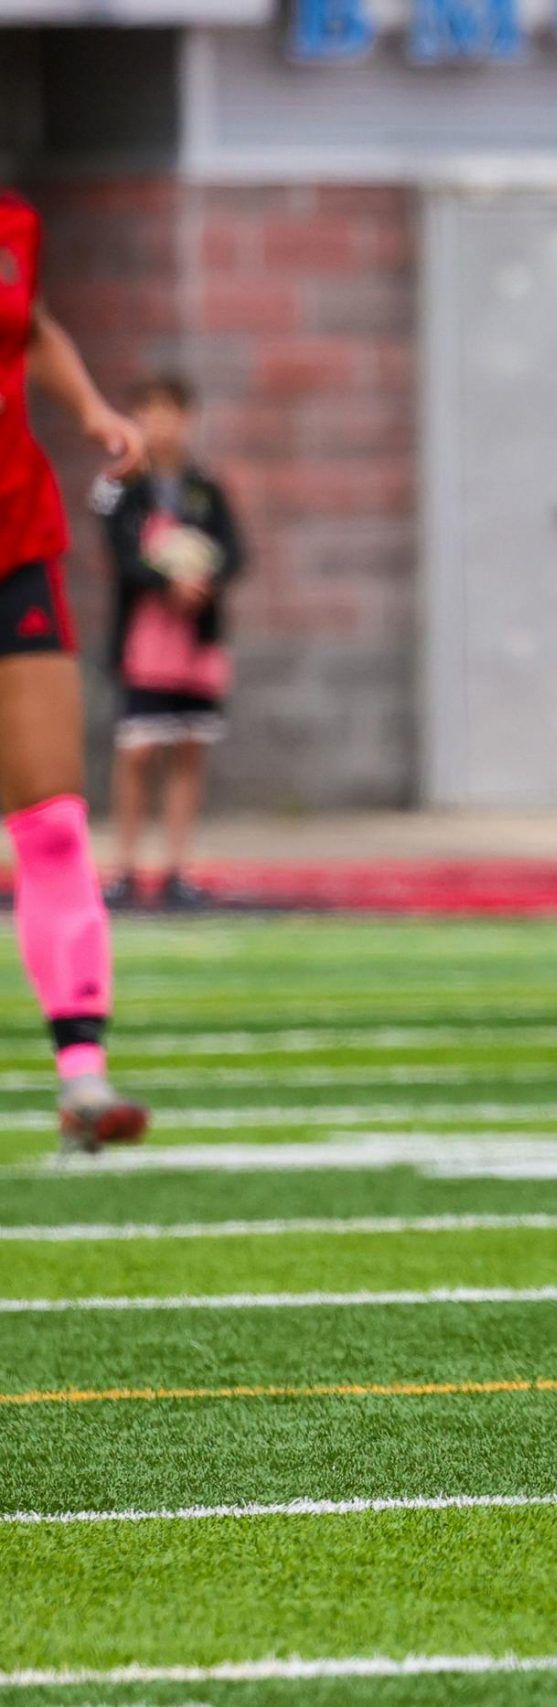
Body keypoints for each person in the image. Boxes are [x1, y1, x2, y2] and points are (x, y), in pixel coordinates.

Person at [0, 187, 149, 1150]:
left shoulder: (14, 221)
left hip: (16, 538)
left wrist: (90, 406)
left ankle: (84, 1083)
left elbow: (30, 321)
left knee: (52, 823)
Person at [99, 372, 246, 909]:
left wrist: (203, 578)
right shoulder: (121, 487)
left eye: (170, 412)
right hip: (145, 641)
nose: (159, 425)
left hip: (195, 640)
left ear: (188, 419)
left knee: (187, 750)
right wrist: (165, 579)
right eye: (148, 412)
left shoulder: (205, 488)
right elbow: (117, 553)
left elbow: (234, 551)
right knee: (138, 751)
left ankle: (178, 867)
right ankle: (125, 866)